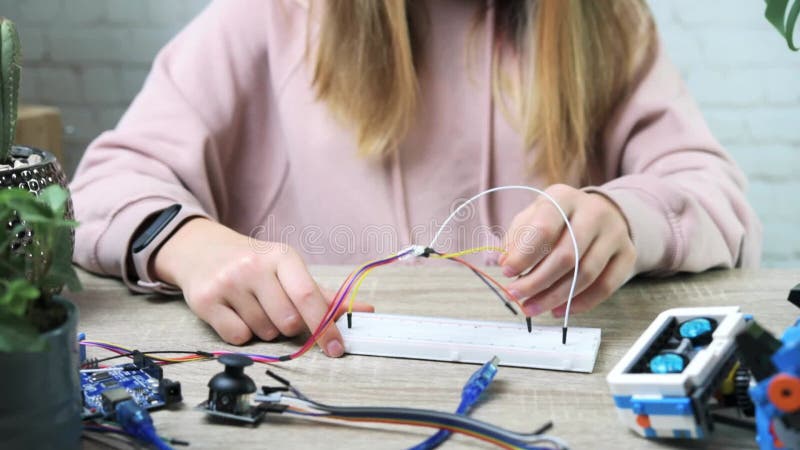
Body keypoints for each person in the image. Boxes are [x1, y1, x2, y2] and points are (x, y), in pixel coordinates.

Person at [69, 0, 762, 357]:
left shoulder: (604, 23)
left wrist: (626, 218)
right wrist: (185, 244)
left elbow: (714, 195)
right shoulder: (270, 17)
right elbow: (100, 188)